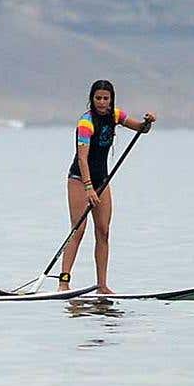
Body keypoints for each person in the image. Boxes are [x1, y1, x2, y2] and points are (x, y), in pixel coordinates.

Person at [60, 80, 154, 294]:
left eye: (106, 98)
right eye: (98, 98)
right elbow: (82, 159)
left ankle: (102, 286)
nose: (102, 102)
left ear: (111, 99)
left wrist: (147, 123)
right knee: (78, 230)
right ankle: (64, 282)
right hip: (79, 180)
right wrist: (88, 188)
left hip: (102, 180)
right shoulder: (85, 122)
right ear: (92, 99)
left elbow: (141, 129)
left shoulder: (116, 116)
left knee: (103, 232)